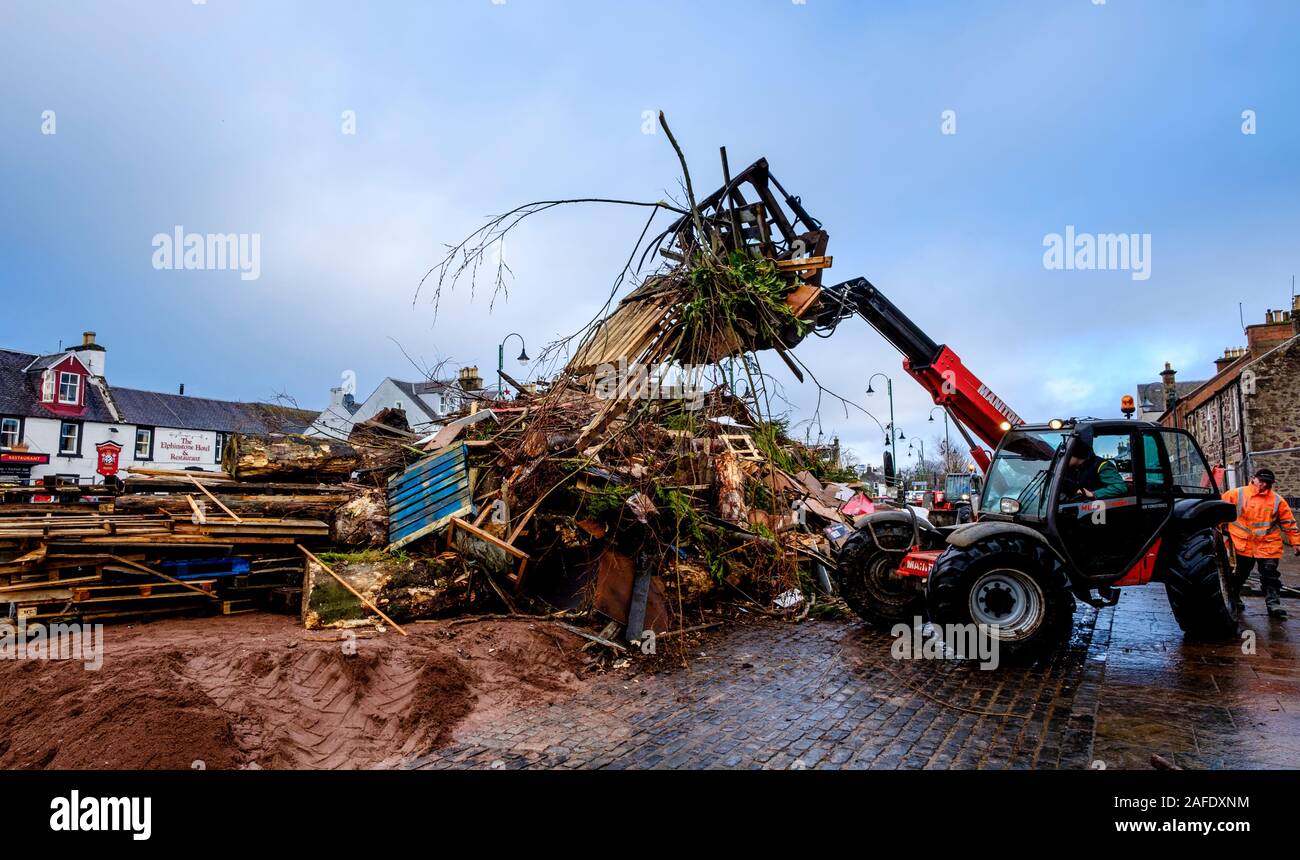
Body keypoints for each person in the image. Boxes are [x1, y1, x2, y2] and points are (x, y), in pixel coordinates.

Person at [1222, 468, 1300, 619]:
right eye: (1261, 481)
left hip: (1268, 545)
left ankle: (1274, 605)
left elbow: (1289, 523)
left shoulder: (1277, 500)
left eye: (1268, 483)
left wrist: (1296, 542)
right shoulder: (1235, 494)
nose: (1264, 485)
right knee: (1239, 575)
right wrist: (1221, 531)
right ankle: (1234, 598)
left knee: (1270, 576)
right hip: (1241, 544)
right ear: (1254, 478)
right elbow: (1218, 512)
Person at [1061, 439, 1127, 501]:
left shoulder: (1101, 465)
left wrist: (1093, 494)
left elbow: (1120, 487)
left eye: (1066, 455)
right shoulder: (1070, 468)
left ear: (1076, 454)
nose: (1063, 459)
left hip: (1099, 509)